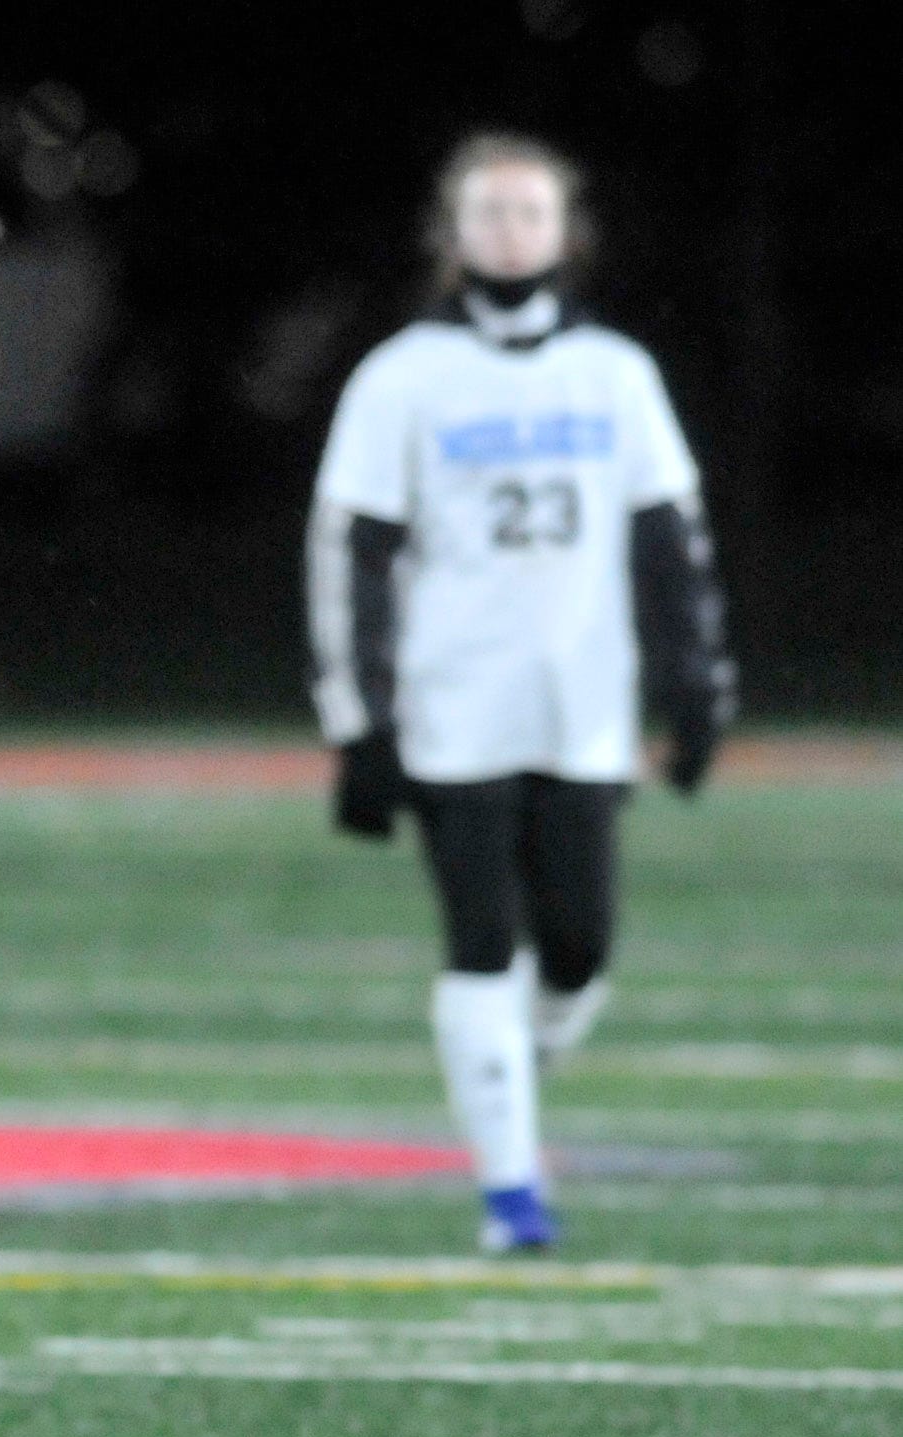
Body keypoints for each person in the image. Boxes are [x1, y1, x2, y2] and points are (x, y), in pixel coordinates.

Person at [308, 132, 733, 1253]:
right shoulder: (401, 377)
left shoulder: (616, 375)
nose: (509, 232)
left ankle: (508, 1066)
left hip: (583, 707)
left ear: (566, 231)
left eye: (529, 211)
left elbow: (669, 541)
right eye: (486, 213)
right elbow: (348, 550)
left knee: (580, 950)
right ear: (450, 236)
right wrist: (358, 720)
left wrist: (697, 687)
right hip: (453, 711)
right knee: (481, 941)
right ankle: (511, 1195)